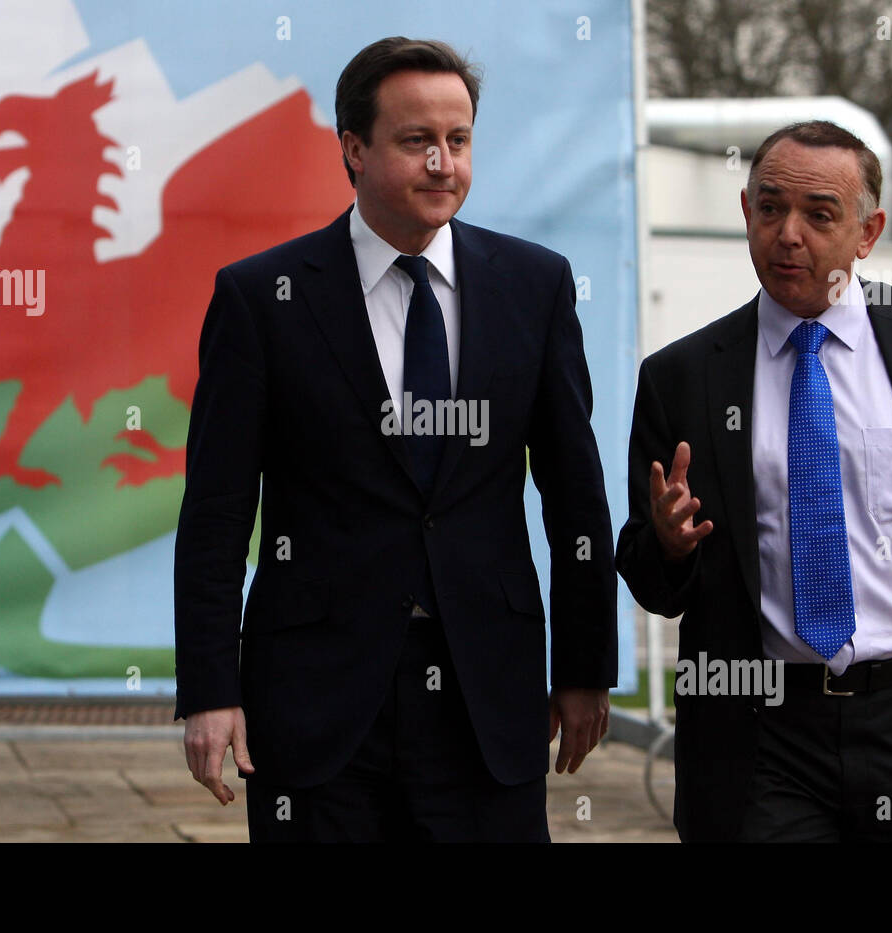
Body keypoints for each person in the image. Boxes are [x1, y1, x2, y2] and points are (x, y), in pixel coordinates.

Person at [174, 37, 617, 843]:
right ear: (353, 148)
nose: (443, 162)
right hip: (317, 708)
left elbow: (575, 495)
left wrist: (586, 669)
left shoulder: (535, 285)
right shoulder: (261, 299)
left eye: (459, 140)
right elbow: (214, 514)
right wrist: (209, 689)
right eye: (417, 141)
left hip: (489, 699)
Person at [616, 120, 892, 842]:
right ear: (746, 213)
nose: (788, 234)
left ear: (867, 232)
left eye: (819, 214)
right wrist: (669, 545)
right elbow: (653, 582)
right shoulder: (683, 377)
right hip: (758, 735)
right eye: (769, 208)